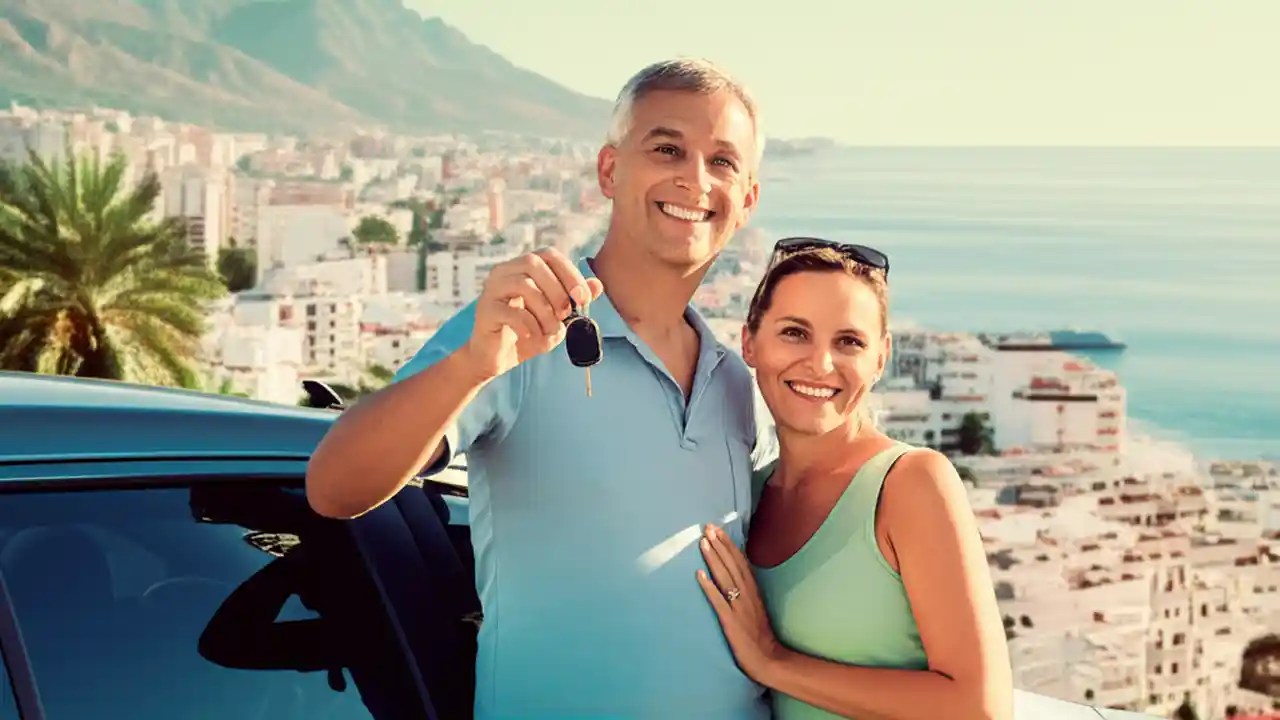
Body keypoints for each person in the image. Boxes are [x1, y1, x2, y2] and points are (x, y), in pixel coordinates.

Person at [305, 57, 777, 719]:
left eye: (723, 161)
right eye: (667, 147)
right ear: (610, 170)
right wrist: (474, 363)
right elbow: (334, 486)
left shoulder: (738, 384)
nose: (694, 179)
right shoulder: (521, 333)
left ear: (748, 199)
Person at [696, 239, 1013, 720]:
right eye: (795, 333)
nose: (821, 364)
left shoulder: (910, 484)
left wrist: (772, 661)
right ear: (749, 343)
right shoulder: (749, 491)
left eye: (849, 341)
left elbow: (979, 708)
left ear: (881, 358)